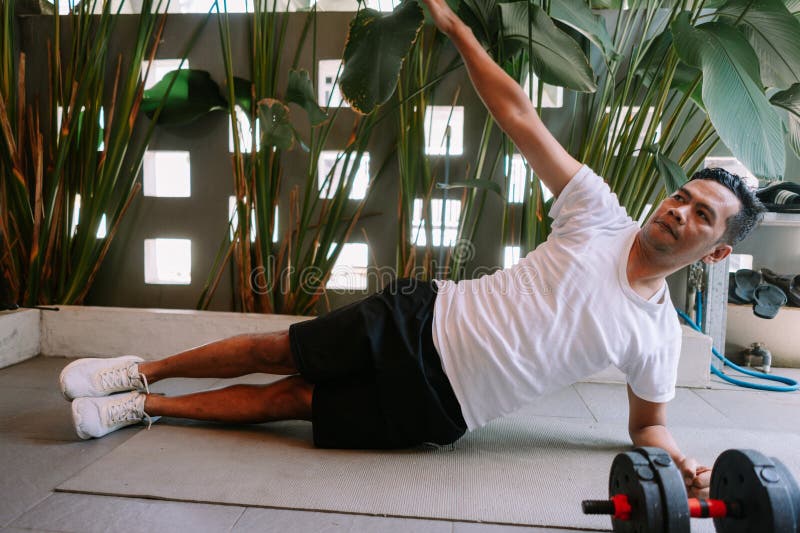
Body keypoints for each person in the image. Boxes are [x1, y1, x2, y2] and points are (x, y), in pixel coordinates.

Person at [59, 0, 764, 499]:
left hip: (440, 406)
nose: (678, 211)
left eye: (702, 215)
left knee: (297, 399)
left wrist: (685, 461)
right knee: (280, 349)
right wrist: (454, 25)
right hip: (422, 317)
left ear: (715, 252)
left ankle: (145, 405)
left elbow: (648, 423)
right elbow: (517, 114)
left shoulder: (657, 334)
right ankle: (137, 367)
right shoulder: (598, 211)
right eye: (682, 196)